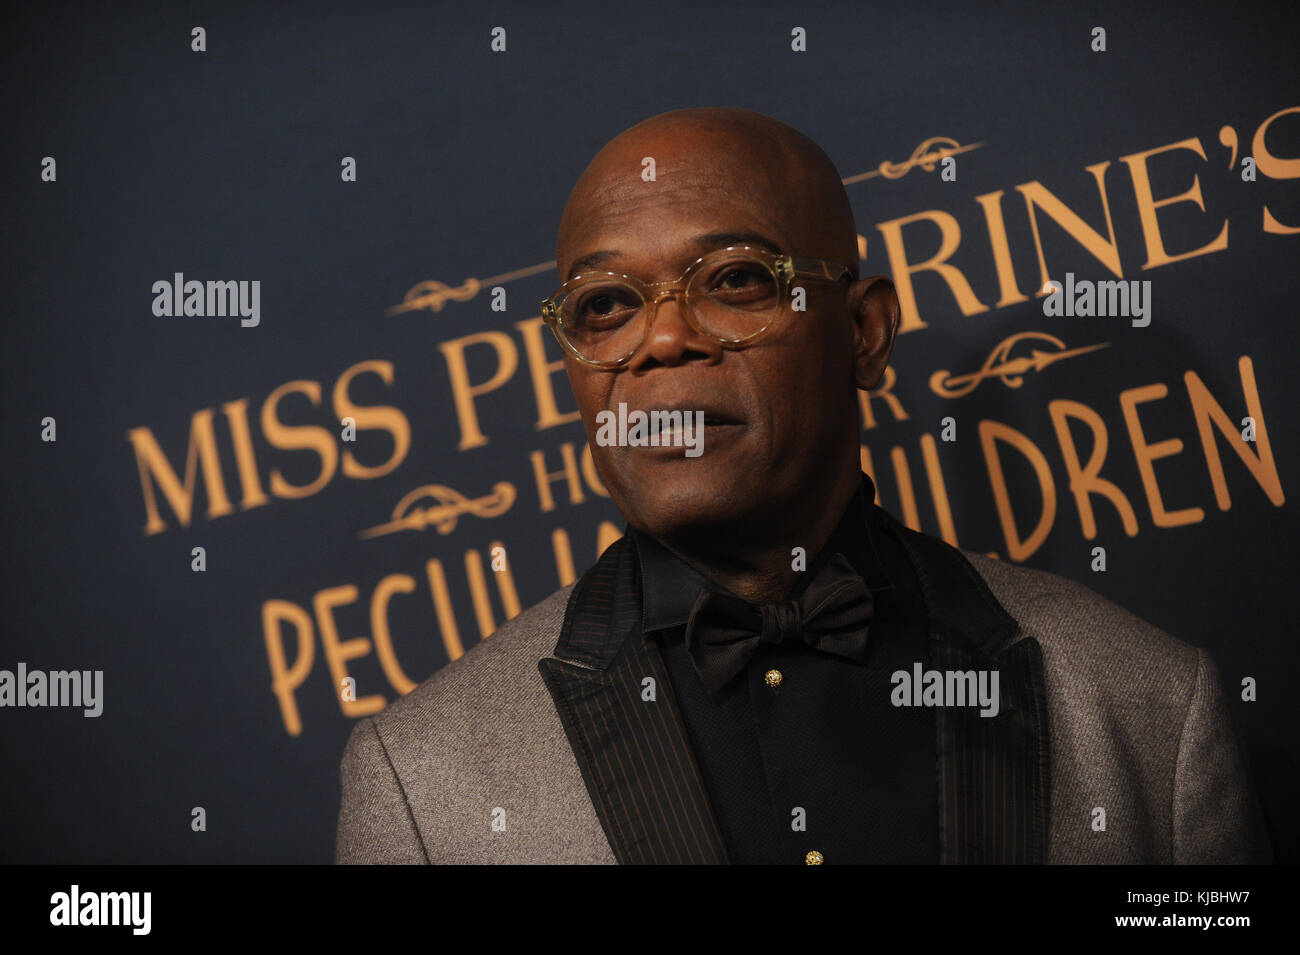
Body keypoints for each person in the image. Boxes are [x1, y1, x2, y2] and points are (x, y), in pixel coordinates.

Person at [335, 107, 1271, 864]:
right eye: (606, 305)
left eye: (736, 279)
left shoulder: (1151, 706)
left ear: (864, 332)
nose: (662, 341)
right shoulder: (423, 783)